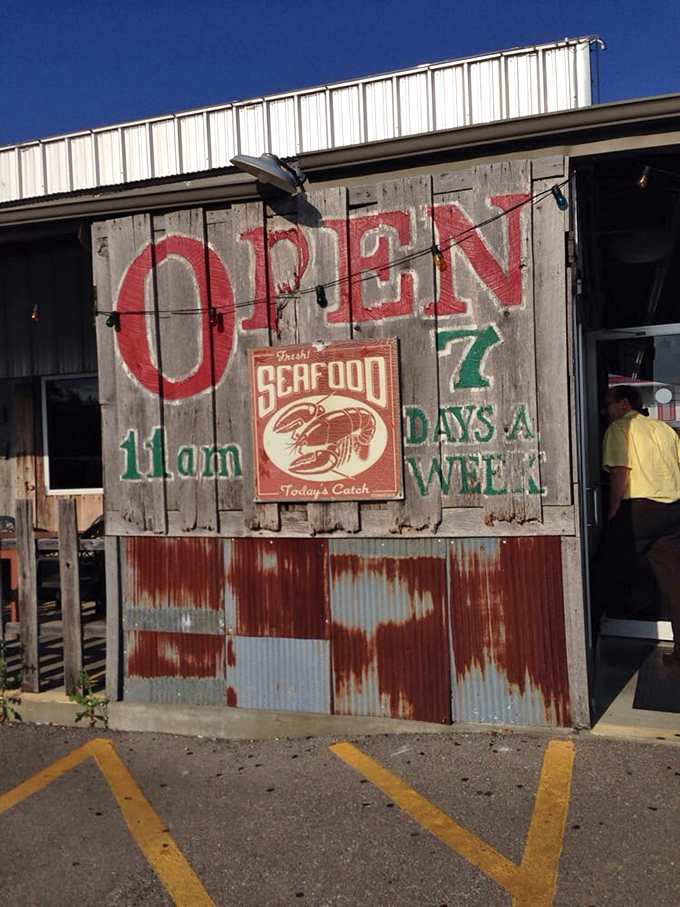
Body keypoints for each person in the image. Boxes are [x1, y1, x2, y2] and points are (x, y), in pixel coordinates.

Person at [592, 385, 680, 665]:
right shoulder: (664, 429)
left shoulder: (620, 429)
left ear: (625, 403)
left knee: (603, 575)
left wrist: (613, 511)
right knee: (674, 582)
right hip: (672, 509)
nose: (605, 411)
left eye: (608, 405)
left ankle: (587, 647)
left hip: (638, 509)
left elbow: (620, 471)